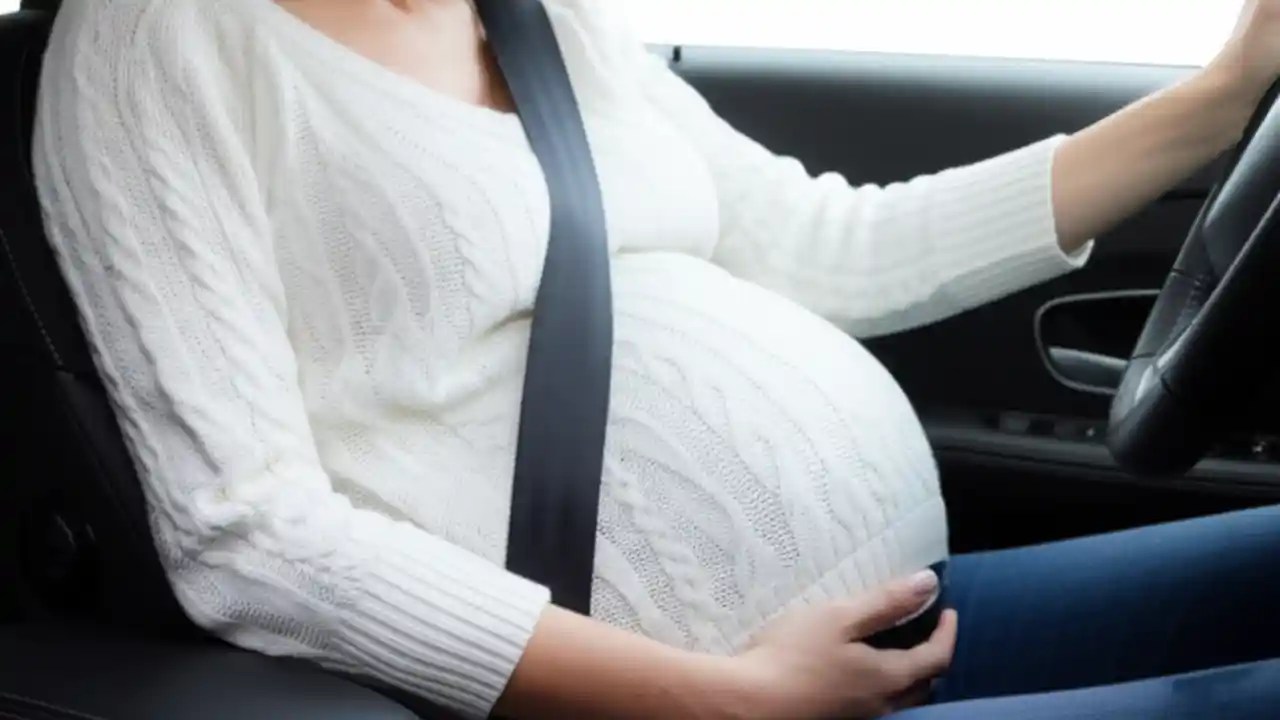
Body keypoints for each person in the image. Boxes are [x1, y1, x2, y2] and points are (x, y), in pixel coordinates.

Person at [30, 0, 1280, 717]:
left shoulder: (531, 16)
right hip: (680, 702)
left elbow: (826, 242)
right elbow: (246, 531)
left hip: (879, 624)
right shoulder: (160, 41)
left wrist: (1220, 99)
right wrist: (721, 700)